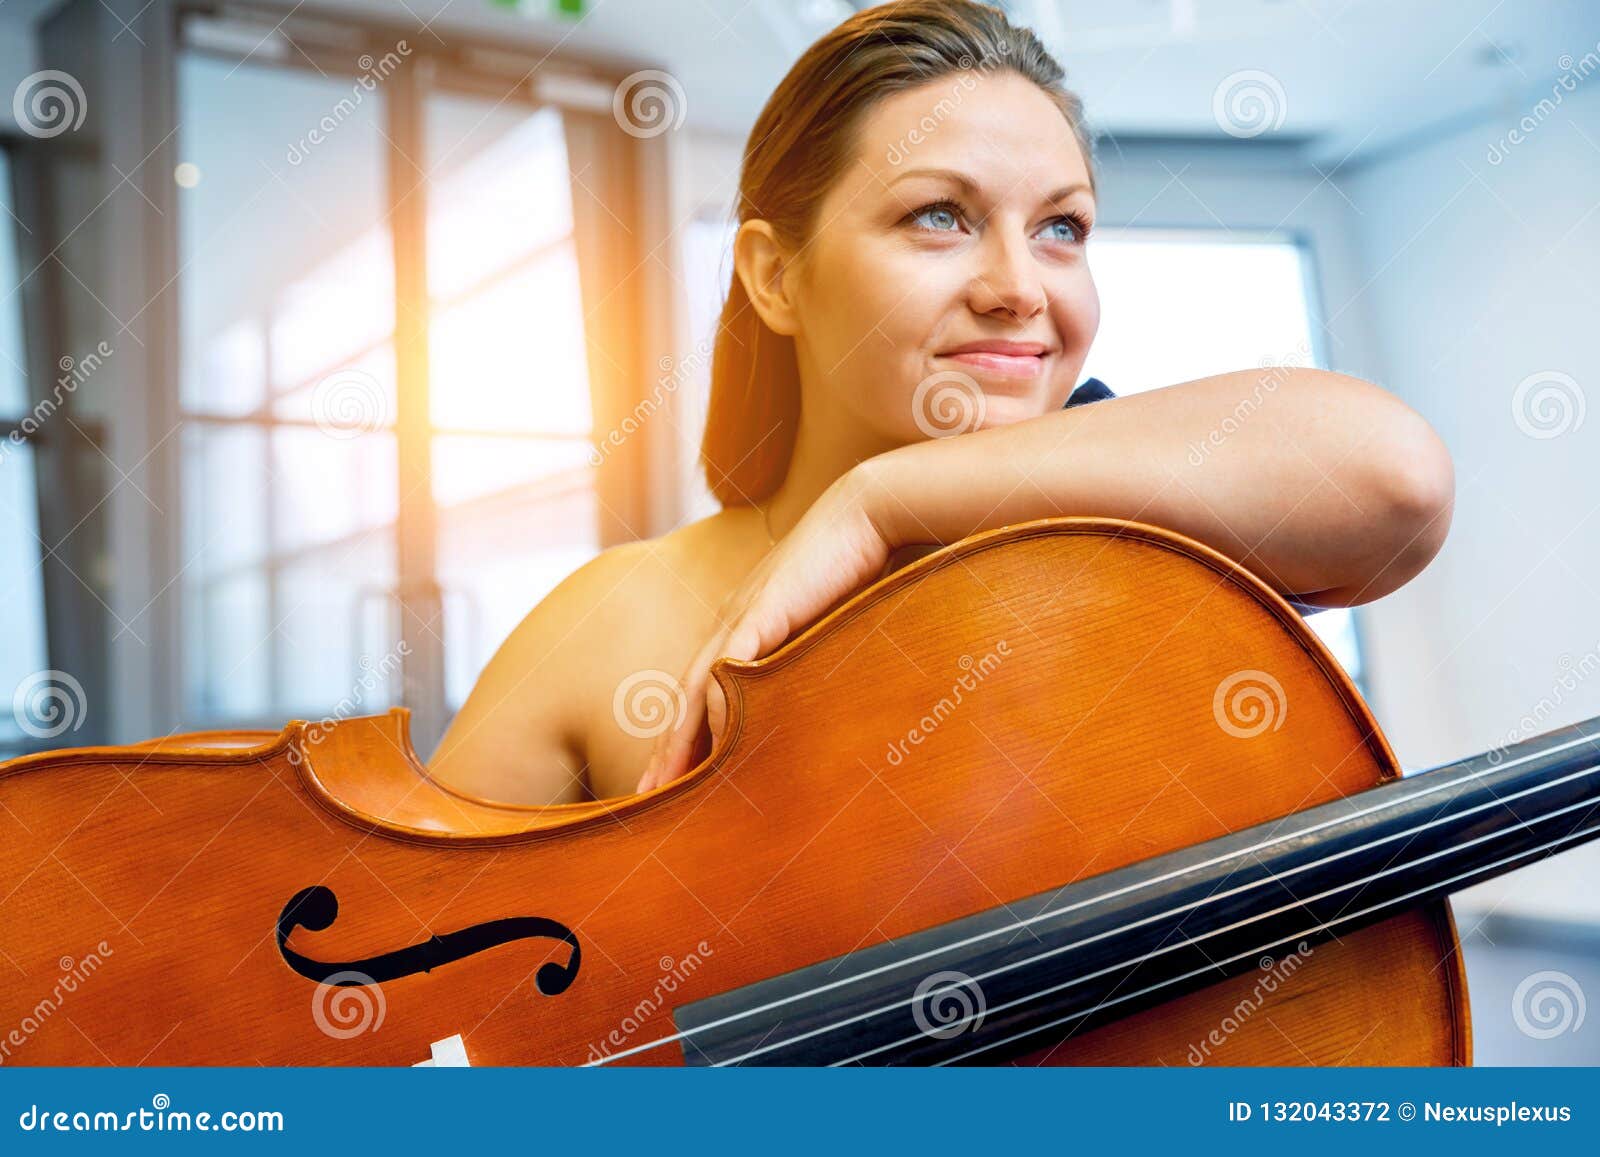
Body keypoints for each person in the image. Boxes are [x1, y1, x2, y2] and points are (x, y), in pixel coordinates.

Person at [427, 0, 1452, 806]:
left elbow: (1393, 475)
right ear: (775, 277)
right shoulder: (614, 621)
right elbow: (382, 1014)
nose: (1019, 285)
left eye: (1061, 228)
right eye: (938, 215)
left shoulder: (1147, 538)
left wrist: (882, 499)